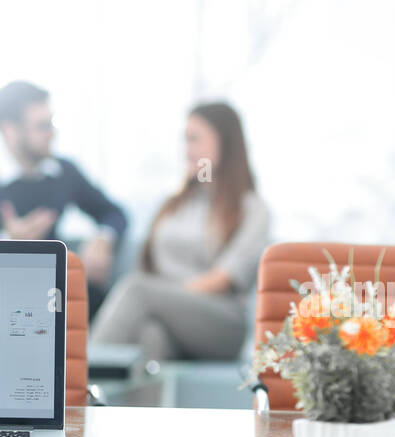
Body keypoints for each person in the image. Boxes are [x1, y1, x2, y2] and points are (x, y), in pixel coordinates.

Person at [90, 101, 270, 363]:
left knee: (137, 289)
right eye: (185, 140)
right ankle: (108, 403)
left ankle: (76, 381)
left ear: (225, 144)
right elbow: (150, 266)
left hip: (221, 322)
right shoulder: (175, 204)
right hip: (167, 313)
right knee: (151, 336)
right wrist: (162, 298)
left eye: (195, 140)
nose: (188, 150)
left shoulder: (252, 209)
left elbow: (222, 279)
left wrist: (162, 295)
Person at [0, 81, 127, 315]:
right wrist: (8, 244)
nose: (52, 133)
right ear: (9, 130)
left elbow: (114, 213)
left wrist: (103, 238)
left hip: (51, 294)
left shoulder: (63, 172)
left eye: (52, 122)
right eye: (42, 126)